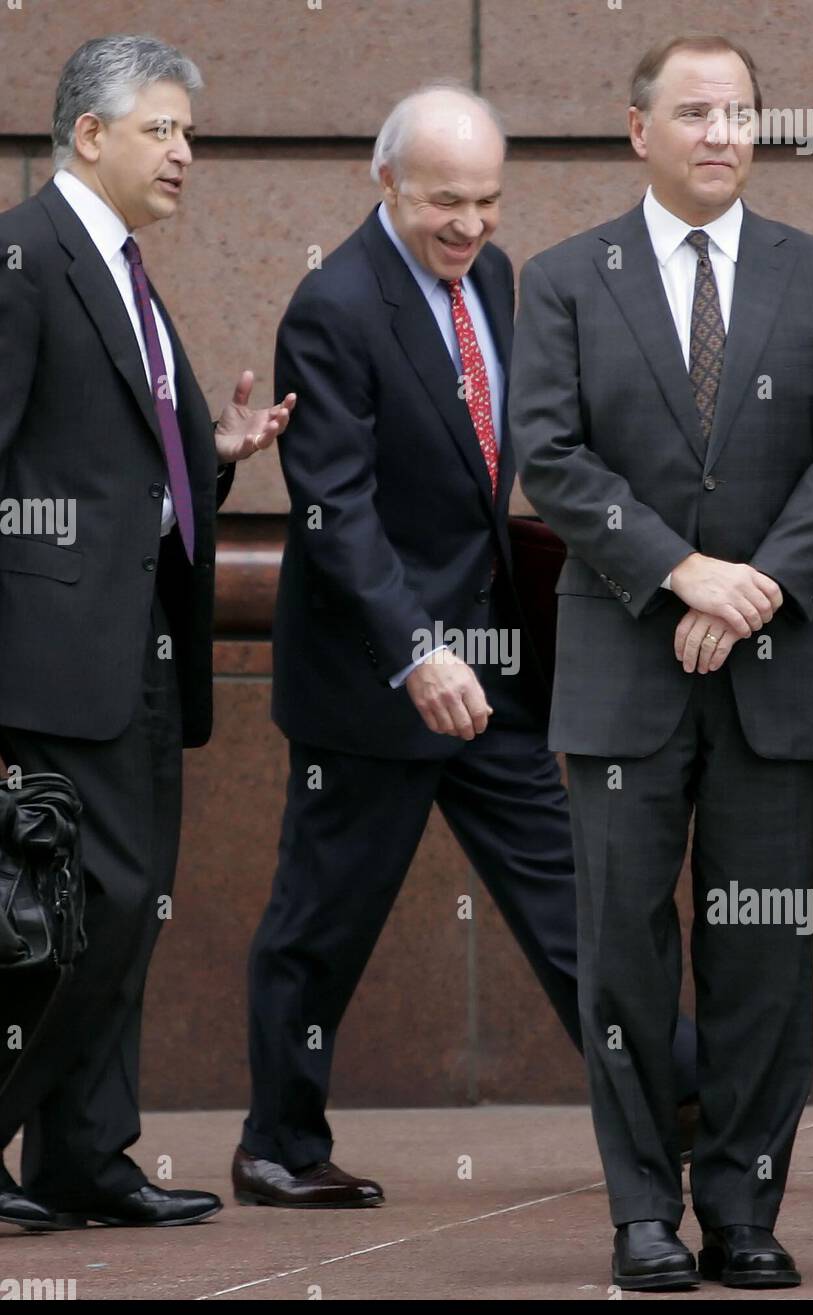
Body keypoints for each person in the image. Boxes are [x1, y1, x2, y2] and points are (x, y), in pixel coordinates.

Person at [233, 83, 699, 1210]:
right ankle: (278, 1146)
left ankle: (680, 1101)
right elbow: (335, 510)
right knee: (321, 923)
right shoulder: (333, 306)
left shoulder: (490, 276)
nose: (471, 224)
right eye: (446, 200)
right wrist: (415, 652)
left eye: (488, 199)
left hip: (489, 665)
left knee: (573, 895)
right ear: (385, 181)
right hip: (376, 680)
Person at [508, 34, 813, 1290]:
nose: (721, 134)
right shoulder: (567, 279)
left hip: (774, 672)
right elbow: (548, 455)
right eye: (693, 113)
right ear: (639, 131)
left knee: (761, 954)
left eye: (738, 113)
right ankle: (640, 1212)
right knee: (622, 949)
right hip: (622, 669)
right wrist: (682, 573)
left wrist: (753, 589)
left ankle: (741, 1208)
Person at [0, 34, 294, 1231]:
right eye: (160, 129)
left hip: (145, 645)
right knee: (86, 907)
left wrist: (206, 459)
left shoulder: (121, 265)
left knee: (126, 911)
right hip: (51, 657)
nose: (183, 153)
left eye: (188, 132)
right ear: (89, 134)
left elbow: (103, 459)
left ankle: (85, 1155)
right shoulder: (26, 258)